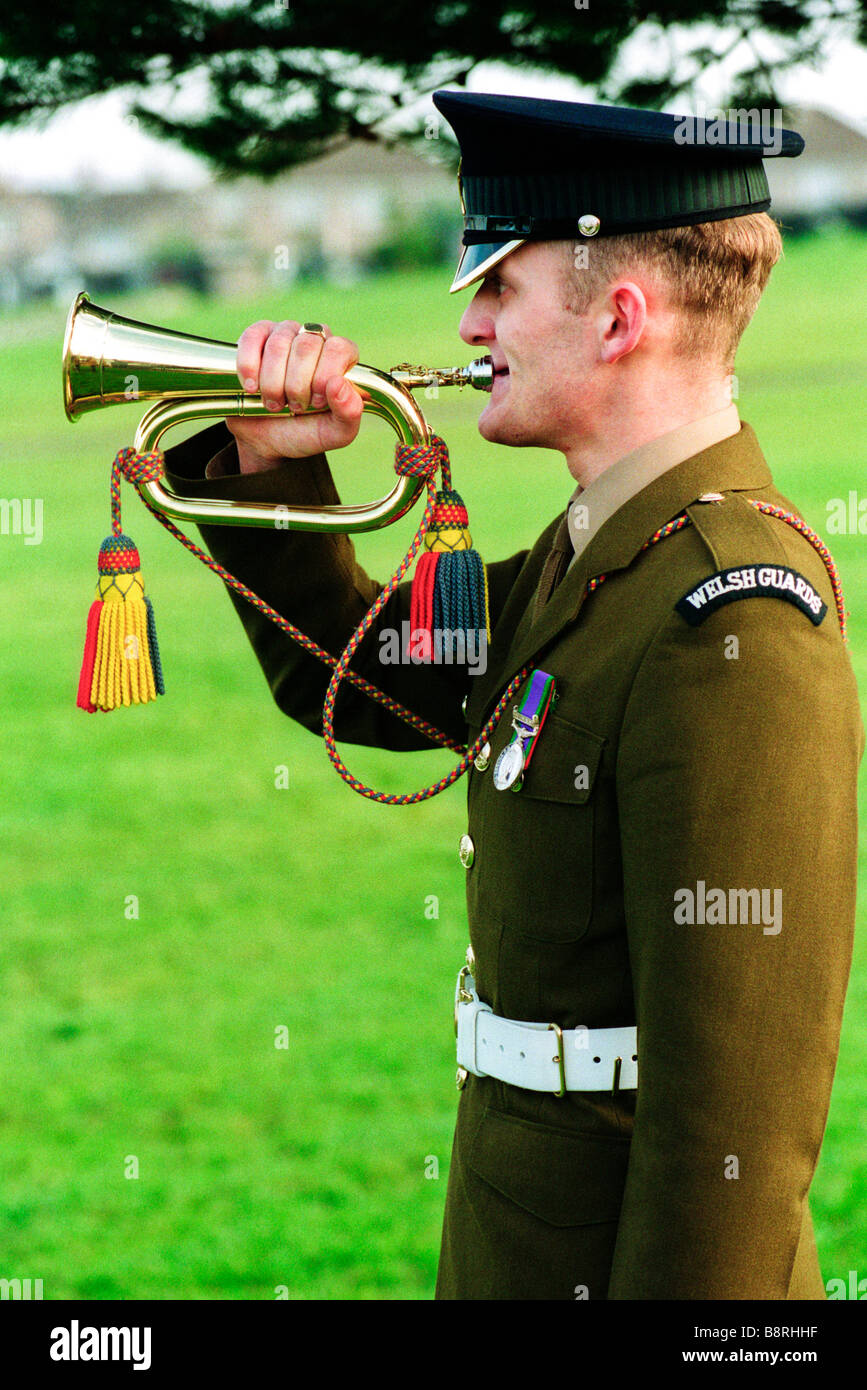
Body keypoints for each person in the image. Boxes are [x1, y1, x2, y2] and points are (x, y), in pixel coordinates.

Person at [163, 91, 863, 1299]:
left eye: (499, 285)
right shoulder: (599, 552)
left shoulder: (733, 615)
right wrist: (271, 469)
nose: (470, 322)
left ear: (620, 319)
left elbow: (733, 1147)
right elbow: (360, 680)